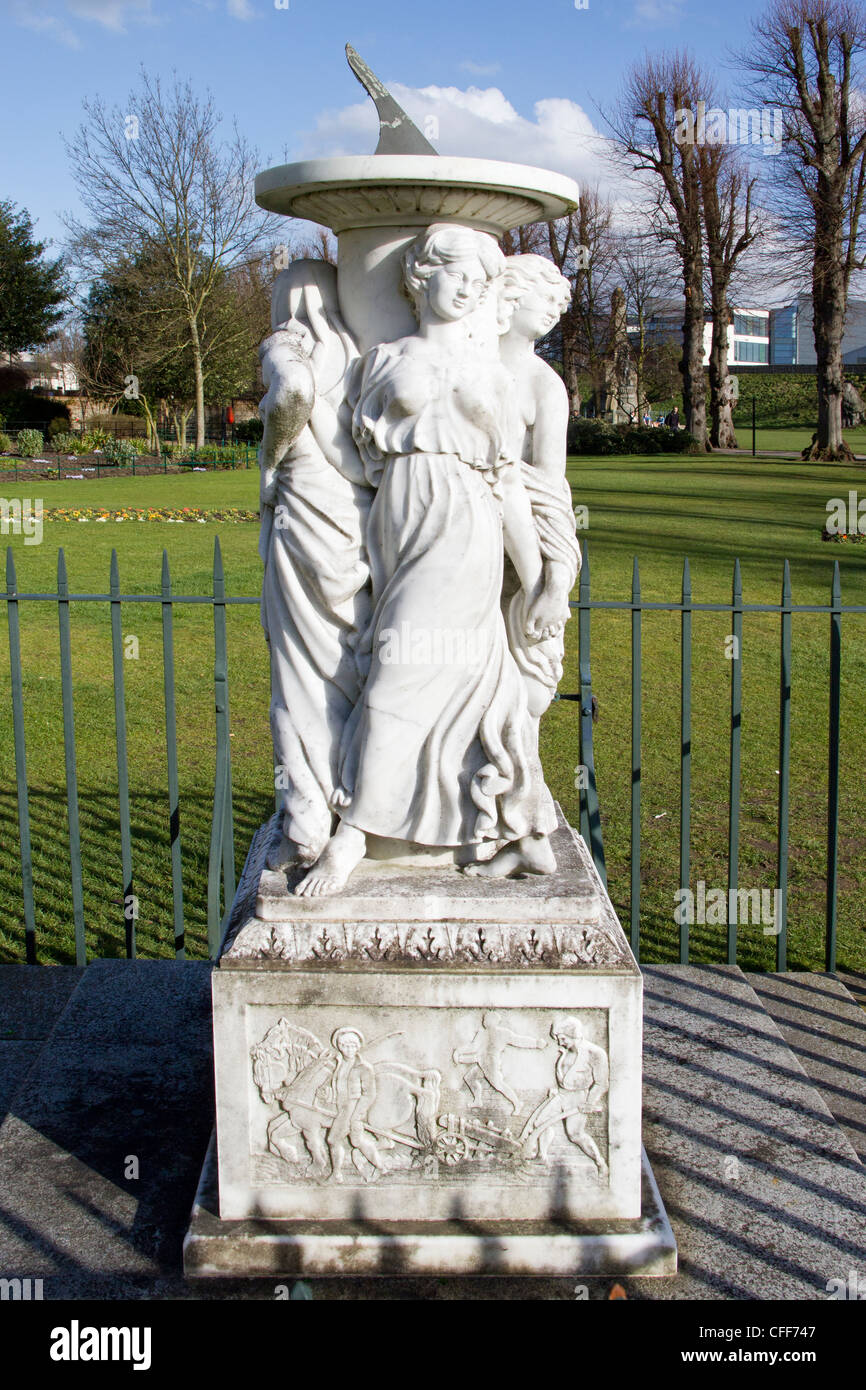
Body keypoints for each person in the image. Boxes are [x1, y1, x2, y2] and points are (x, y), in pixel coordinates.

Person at [294, 224, 558, 897]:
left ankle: (352, 837)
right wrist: (304, 411)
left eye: (477, 277)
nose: (466, 287)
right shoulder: (382, 359)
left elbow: (506, 485)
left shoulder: (490, 375)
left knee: (398, 678)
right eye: (453, 272)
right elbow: (358, 461)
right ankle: (519, 832)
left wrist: (541, 578)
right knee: (475, 682)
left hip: (464, 533)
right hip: (400, 527)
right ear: (420, 277)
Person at [258, 260, 372, 871]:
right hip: (352, 526)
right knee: (349, 668)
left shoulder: (288, 343)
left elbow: (294, 393)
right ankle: (353, 800)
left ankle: (305, 820)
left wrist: (273, 460)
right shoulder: (358, 353)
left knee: (298, 674)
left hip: (301, 518)